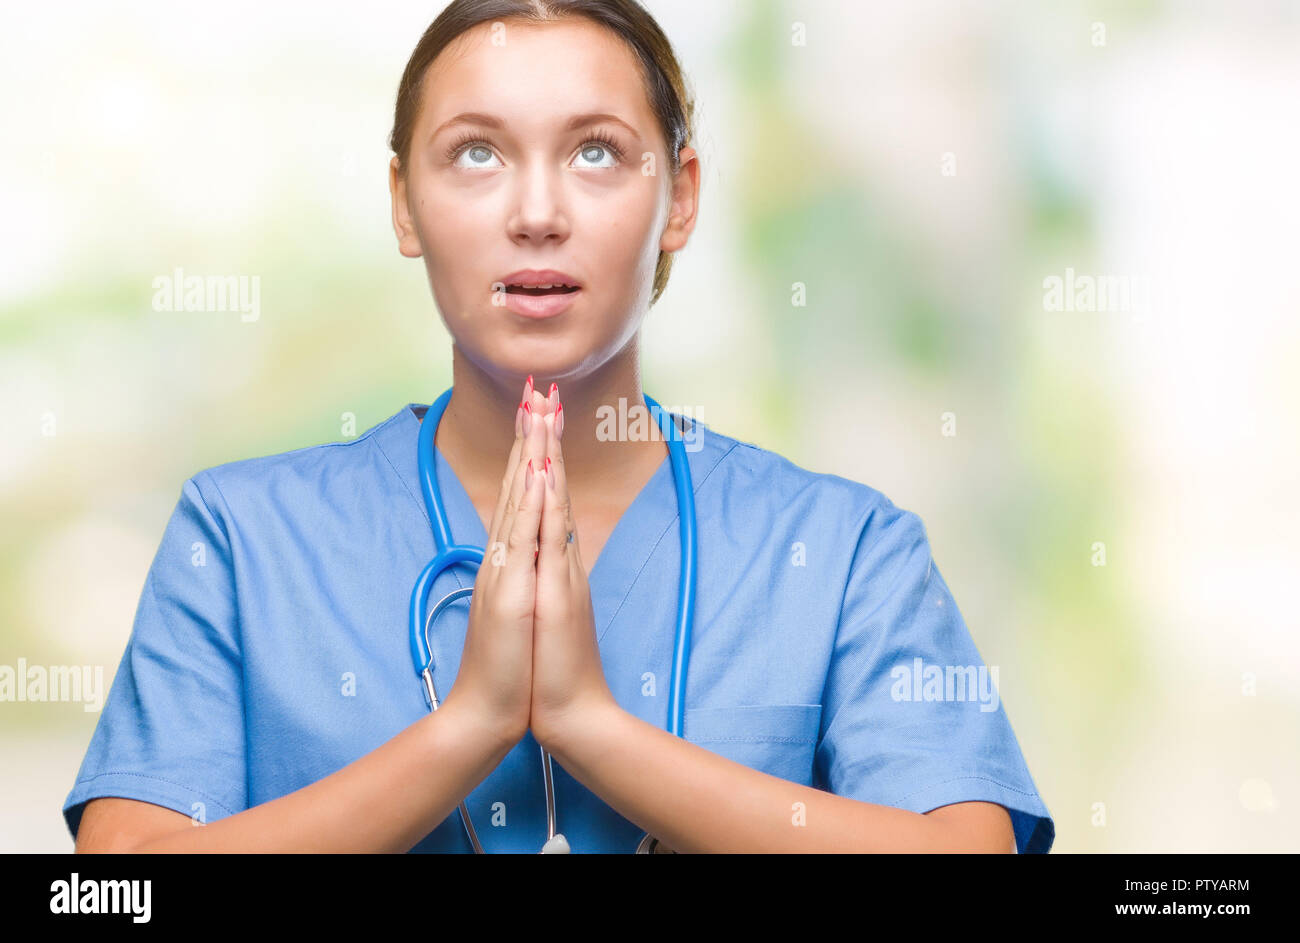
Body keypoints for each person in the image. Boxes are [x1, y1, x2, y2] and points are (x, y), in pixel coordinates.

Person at [64, 0, 1054, 854]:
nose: (536, 213)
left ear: (681, 196)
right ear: (404, 202)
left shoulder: (845, 549)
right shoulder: (240, 539)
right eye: (476, 153)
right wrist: (468, 726)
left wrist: (590, 725)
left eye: (595, 152)